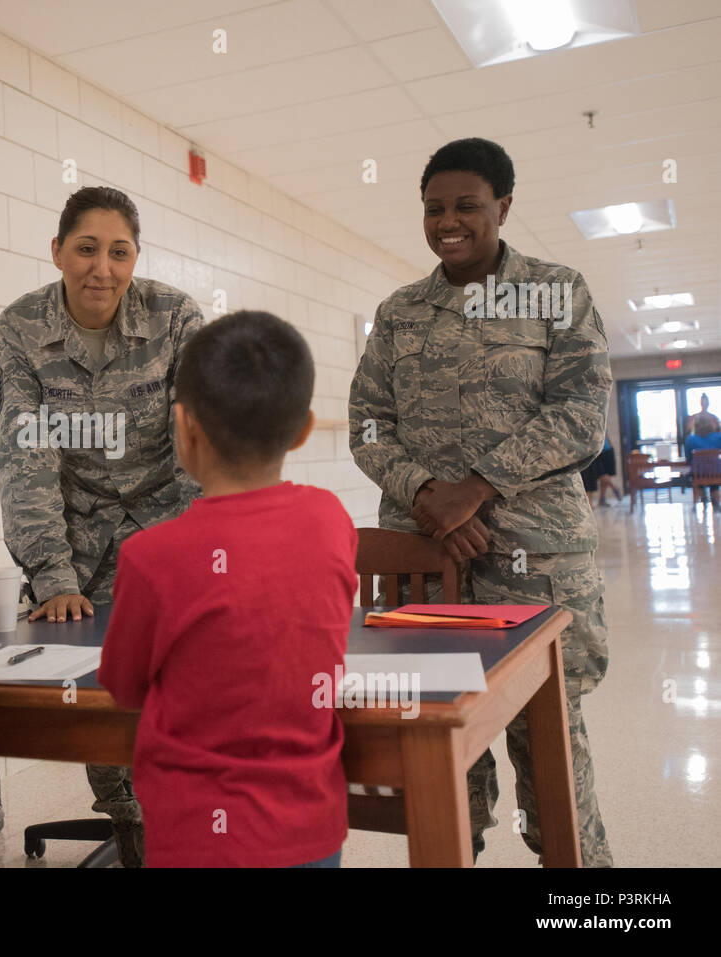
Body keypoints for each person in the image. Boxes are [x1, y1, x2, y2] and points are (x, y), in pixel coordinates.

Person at [349, 137, 614, 867]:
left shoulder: (557, 291)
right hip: (429, 562)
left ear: (502, 206)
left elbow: (581, 415)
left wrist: (476, 490)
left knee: (550, 740)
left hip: (537, 559)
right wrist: (427, 496)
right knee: (439, 740)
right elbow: (368, 426)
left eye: (467, 205)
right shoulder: (400, 312)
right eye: (434, 208)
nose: (448, 221)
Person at [0, 186, 205, 866]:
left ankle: (183, 831)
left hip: (166, 522)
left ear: (136, 258)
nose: (102, 269)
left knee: (178, 701)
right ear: (56, 250)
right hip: (77, 537)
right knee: (96, 705)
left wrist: (195, 561)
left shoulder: (175, 316)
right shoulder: (21, 326)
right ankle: (129, 831)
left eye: (120, 252)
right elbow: (26, 455)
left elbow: (198, 440)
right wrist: (52, 574)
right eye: (86, 248)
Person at [99, 311, 356, 868]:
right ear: (305, 429)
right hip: (310, 833)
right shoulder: (332, 520)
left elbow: (123, 687)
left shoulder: (149, 557)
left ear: (184, 426)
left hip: (197, 839)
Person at [684, 414, 721, 506]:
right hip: (715, 473)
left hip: (698, 474)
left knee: (697, 476)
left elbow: (688, 458)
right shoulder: (718, 437)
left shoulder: (691, 439)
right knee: (713, 476)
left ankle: (696, 504)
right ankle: (716, 500)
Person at [580, 434, 621, 507]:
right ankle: (614, 488)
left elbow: (606, 434)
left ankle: (602, 499)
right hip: (598, 452)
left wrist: (611, 448)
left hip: (607, 451)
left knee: (604, 476)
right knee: (602, 475)